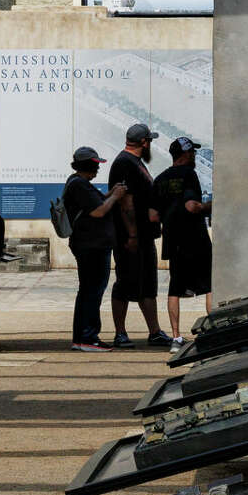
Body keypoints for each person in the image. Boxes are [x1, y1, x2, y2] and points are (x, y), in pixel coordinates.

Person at [106, 122, 174, 348]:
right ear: (144, 143)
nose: (150, 145)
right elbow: (126, 202)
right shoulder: (124, 163)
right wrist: (132, 235)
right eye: (150, 141)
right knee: (125, 284)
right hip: (130, 239)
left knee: (147, 285)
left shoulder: (135, 163)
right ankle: (120, 333)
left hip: (143, 237)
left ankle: (154, 332)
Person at [61, 145, 128, 351]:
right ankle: (88, 337)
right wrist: (116, 196)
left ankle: (82, 337)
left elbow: (95, 203)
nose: (98, 169)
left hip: (90, 245)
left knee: (88, 291)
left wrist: (110, 193)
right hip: (92, 246)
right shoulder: (79, 185)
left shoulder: (78, 183)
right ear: (88, 165)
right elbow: (98, 211)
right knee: (92, 292)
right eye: (95, 165)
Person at [152, 136, 213, 343]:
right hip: (195, 239)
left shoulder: (160, 179)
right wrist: (210, 206)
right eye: (193, 152)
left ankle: (176, 336)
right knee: (210, 285)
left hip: (173, 240)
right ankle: (214, 331)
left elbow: (152, 215)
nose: (195, 155)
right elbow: (191, 206)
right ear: (186, 153)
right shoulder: (189, 174)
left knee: (175, 288)